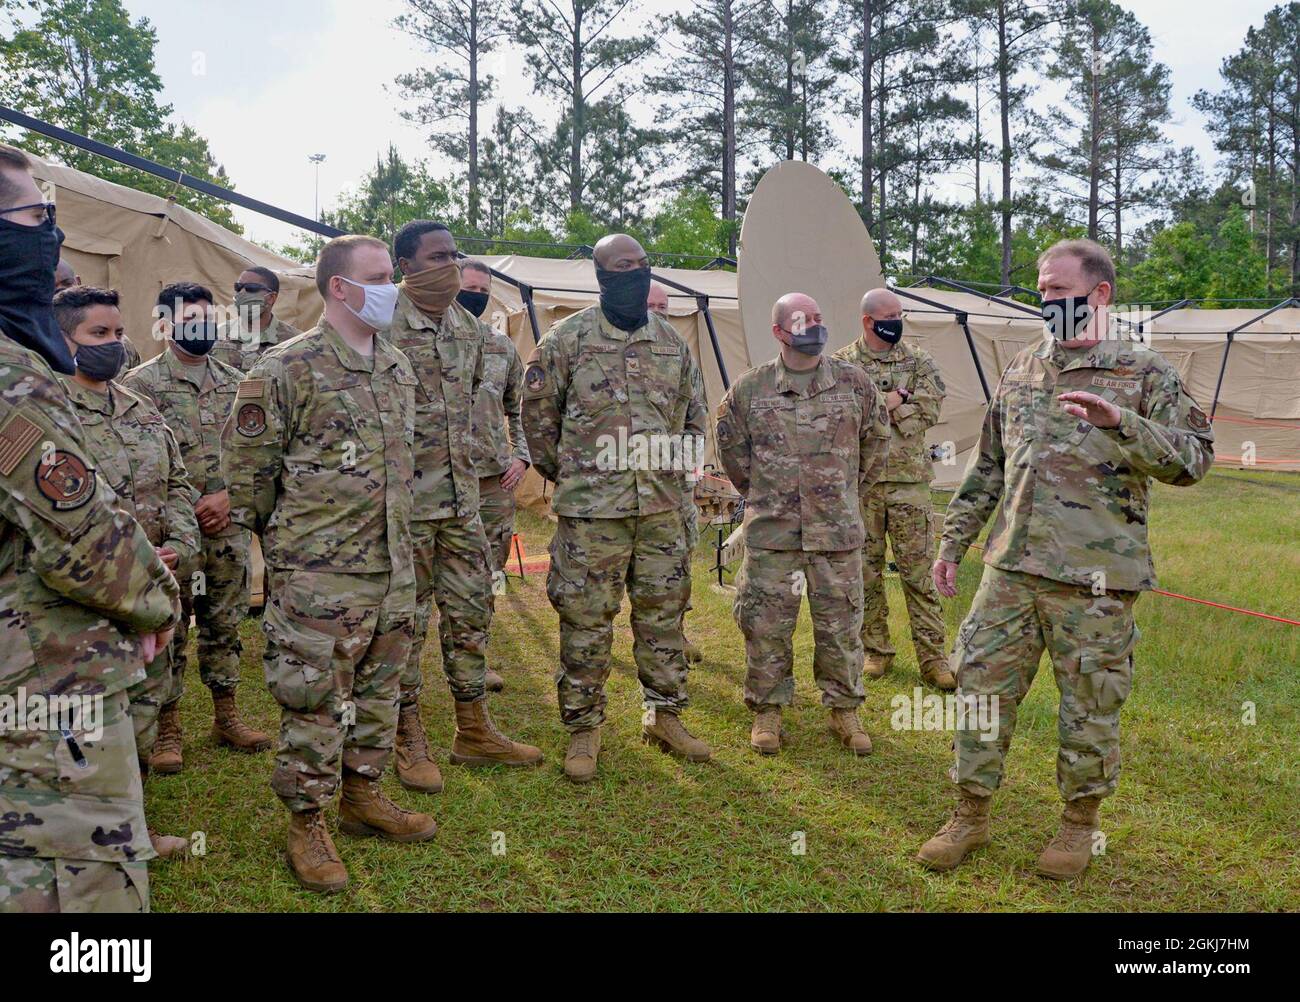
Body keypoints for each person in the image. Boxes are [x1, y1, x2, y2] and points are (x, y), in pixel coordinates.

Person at [918, 238, 1215, 879]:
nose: (1045, 298)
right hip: (1011, 569)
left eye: (1057, 288)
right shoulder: (1023, 366)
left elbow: (1194, 461)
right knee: (979, 691)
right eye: (1042, 288)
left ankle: (1078, 828)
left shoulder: (1145, 372)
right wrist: (953, 542)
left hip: (1095, 580)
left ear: (1099, 293)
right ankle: (969, 815)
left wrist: (1122, 425)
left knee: (1089, 702)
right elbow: (988, 465)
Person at [222, 234, 436, 893]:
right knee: (316, 705)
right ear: (339, 288)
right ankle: (307, 822)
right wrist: (296, 560)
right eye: (378, 276)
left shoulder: (397, 367)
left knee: (377, 697)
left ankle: (363, 796)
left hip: (393, 571)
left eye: (392, 275)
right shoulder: (283, 369)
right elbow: (248, 481)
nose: (392, 287)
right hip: (320, 579)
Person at [0, 142, 181, 913]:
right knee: (79, 877)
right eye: (37, 217)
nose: (51, 236)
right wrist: (156, 604)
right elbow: (82, 542)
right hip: (46, 671)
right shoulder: (13, 371)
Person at [522, 232, 709, 783]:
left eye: (643, 265)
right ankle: (584, 727)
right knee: (585, 620)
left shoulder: (672, 344)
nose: (636, 273)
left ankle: (663, 717)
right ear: (602, 277)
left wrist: (672, 474)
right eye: (623, 266)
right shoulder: (566, 341)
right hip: (592, 515)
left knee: (663, 616)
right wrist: (578, 476)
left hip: (661, 511)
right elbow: (538, 422)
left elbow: (694, 417)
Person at [387, 223, 540, 795]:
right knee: (405, 623)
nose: (449, 266)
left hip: (463, 503)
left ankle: (473, 729)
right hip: (402, 507)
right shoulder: (378, 323)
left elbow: (486, 411)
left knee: (471, 613)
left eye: (454, 255)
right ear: (405, 263)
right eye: (437, 257)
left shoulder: (470, 331)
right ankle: (409, 735)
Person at [53, 286, 200, 859]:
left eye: (117, 334)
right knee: (89, 727)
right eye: (98, 335)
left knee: (142, 709)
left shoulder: (140, 407)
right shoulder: (51, 414)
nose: (114, 345)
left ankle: (129, 832)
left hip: (152, 594)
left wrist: (181, 545)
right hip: (90, 603)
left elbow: (179, 483)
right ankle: (82, 843)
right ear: (63, 339)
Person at [715, 293, 890, 756]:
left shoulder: (856, 384)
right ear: (779, 331)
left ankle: (843, 709)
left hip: (836, 534)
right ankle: (768, 710)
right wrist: (767, 497)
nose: (815, 324)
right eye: (803, 319)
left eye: (818, 316)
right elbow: (732, 454)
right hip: (773, 535)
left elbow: (877, 444)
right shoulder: (750, 390)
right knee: (766, 624)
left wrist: (845, 496)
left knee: (841, 625)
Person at [122, 283, 270, 771]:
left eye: (209, 317)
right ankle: (168, 727)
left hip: (227, 527)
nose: (202, 326)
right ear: (165, 323)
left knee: (223, 623)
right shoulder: (138, 387)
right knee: (170, 626)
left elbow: (256, 451)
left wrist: (230, 496)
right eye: (191, 318)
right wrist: (190, 504)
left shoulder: (238, 381)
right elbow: (139, 466)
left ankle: (226, 715)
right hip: (170, 532)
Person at [833, 288, 952, 689]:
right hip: (862, 485)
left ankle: (935, 658)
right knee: (865, 574)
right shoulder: (841, 365)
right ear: (868, 321)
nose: (897, 321)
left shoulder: (919, 360)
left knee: (918, 574)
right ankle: (876, 651)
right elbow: (840, 418)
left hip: (909, 483)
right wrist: (892, 401)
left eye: (901, 314)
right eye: (890, 315)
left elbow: (929, 410)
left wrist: (882, 406)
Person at [463, 259, 530, 598]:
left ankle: (484, 621)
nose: (475, 295)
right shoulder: (422, 341)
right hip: (435, 477)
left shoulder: (500, 346)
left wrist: (521, 456)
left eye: (482, 291)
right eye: (468, 288)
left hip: (492, 478)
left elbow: (521, 407)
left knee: (493, 561)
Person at [647, 280, 704, 665]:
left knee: (676, 564)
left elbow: (696, 417)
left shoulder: (680, 354)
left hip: (671, 486)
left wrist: (685, 469)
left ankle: (676, 633)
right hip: (617, 484)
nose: (658, 314)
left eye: (664, 308)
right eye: (651, 306)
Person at [213, 266, 301, 374]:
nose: (241, 293)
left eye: (251, 288)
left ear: (271, 298)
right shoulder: (217, 334)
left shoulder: (294, 342)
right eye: (238, 287)